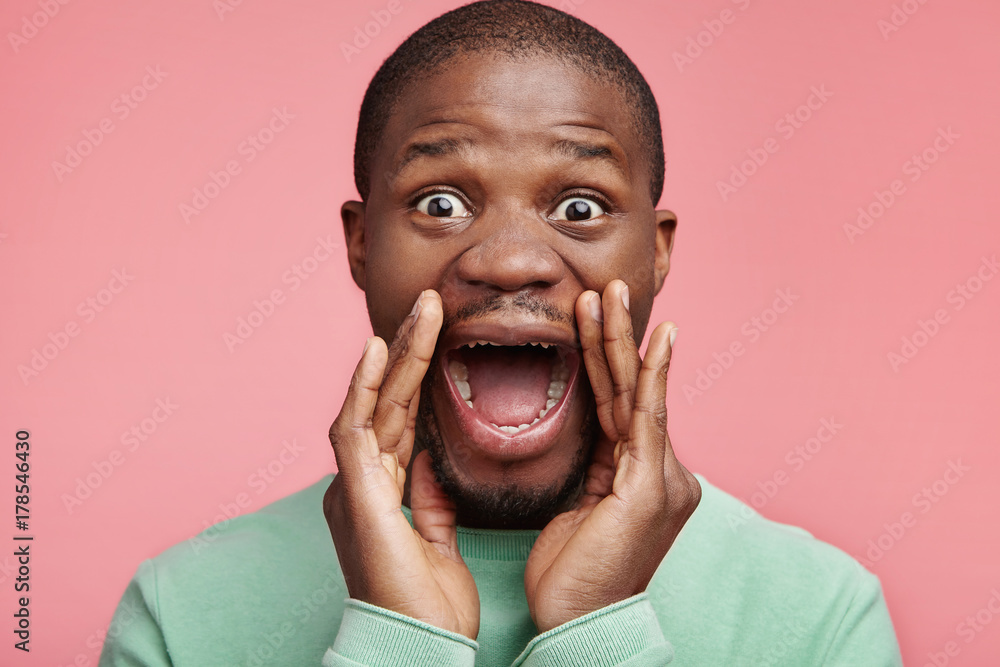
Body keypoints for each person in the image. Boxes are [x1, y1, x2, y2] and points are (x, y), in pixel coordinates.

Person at [99, 1, 903, 664]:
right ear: (361, 242)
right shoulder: (182, 617)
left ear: (656, 255)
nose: (511, 260)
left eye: (578, 208)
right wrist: (397, 647)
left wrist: (599, 634)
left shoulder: (821, 619)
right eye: (440, 203)